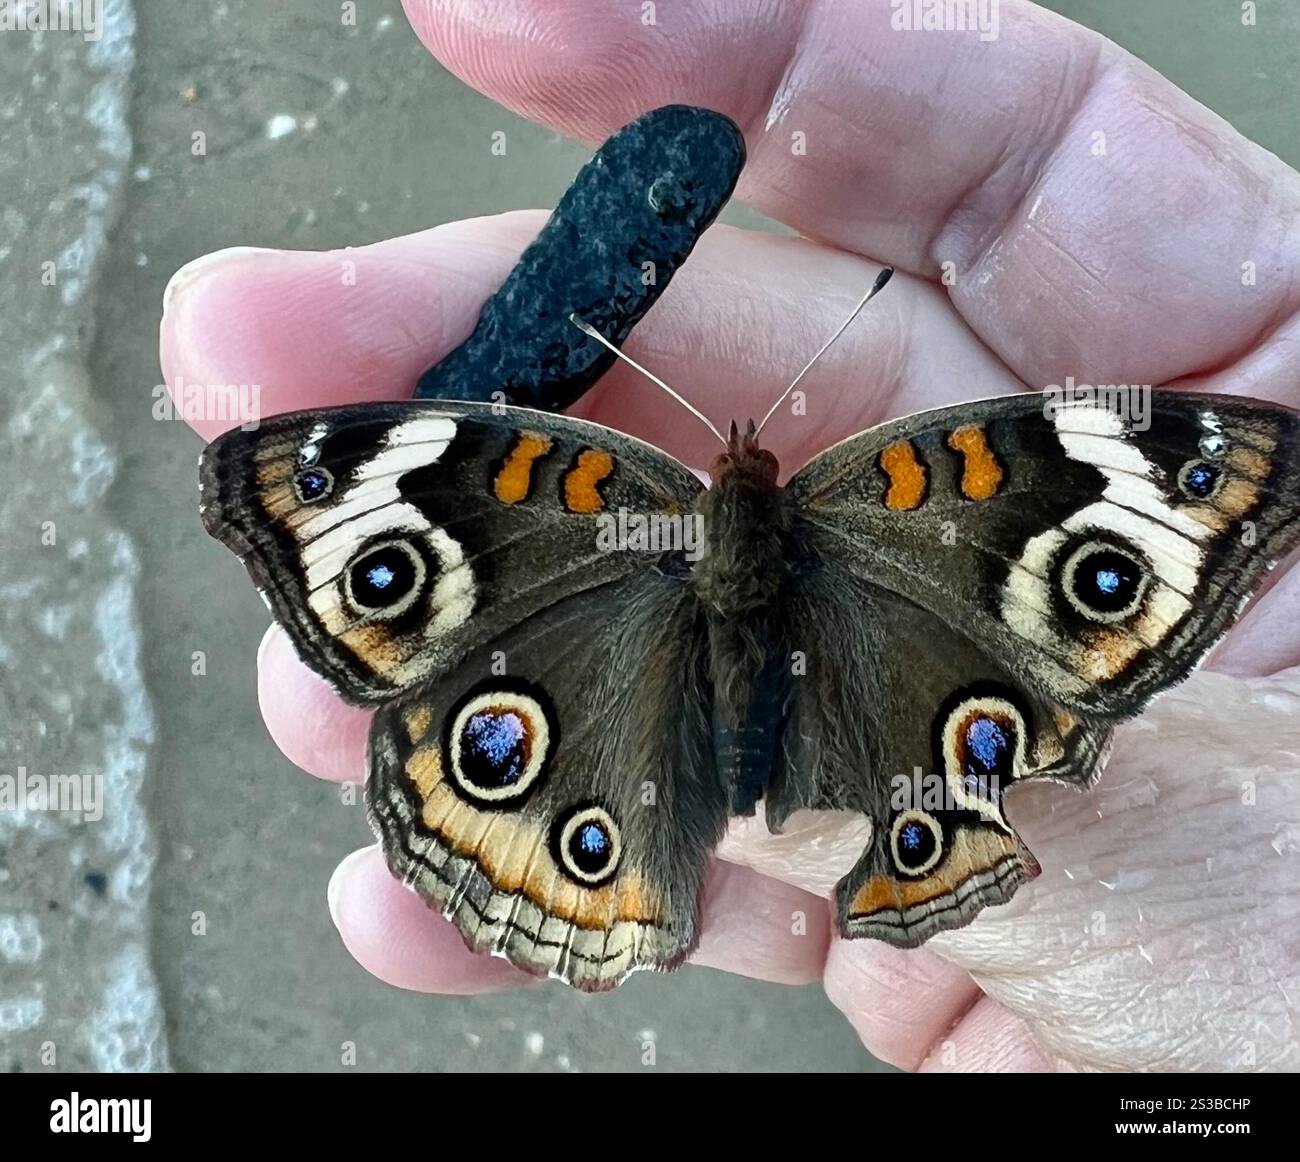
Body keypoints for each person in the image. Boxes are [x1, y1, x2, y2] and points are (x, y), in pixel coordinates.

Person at [161, 0, 1300, 1071]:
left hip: (601, 664)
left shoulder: (596, 497)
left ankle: (608, 865)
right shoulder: (914, 485)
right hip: (895, 660)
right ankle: (894, 828)